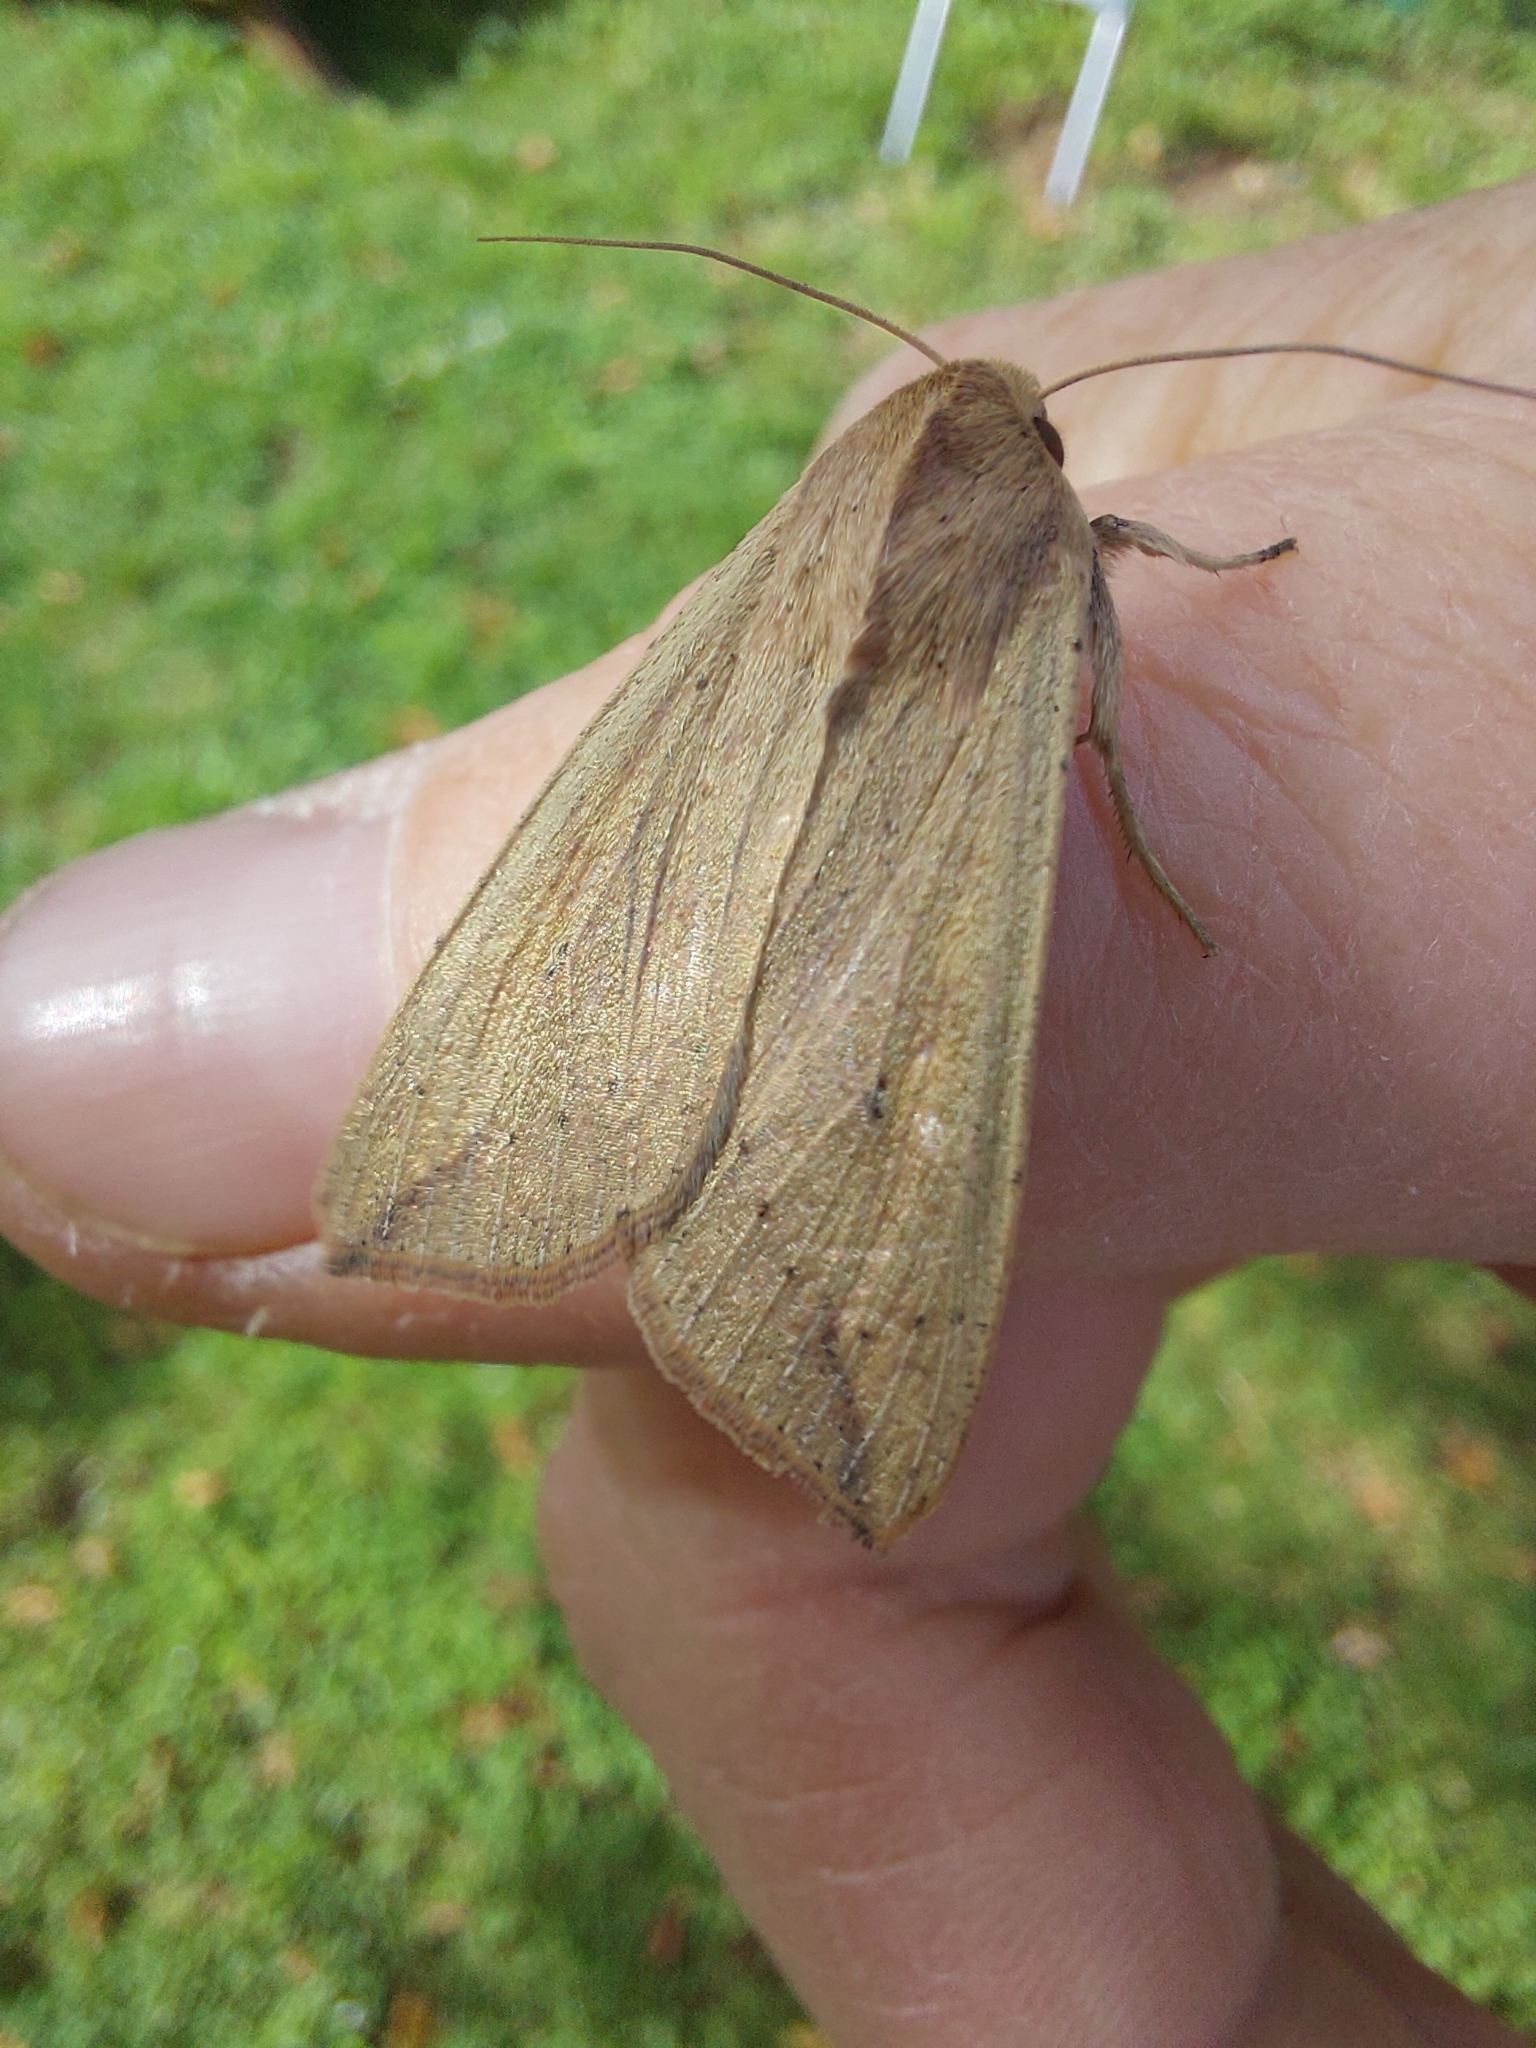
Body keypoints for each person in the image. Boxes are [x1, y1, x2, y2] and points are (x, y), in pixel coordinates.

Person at [1, 178, 1532, 2045]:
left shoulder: (986, 539)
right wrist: (1130, 780)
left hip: (713, 840)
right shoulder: (1059, 538)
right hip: (898, 914)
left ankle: (569, 1155)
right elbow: (1110, 679)